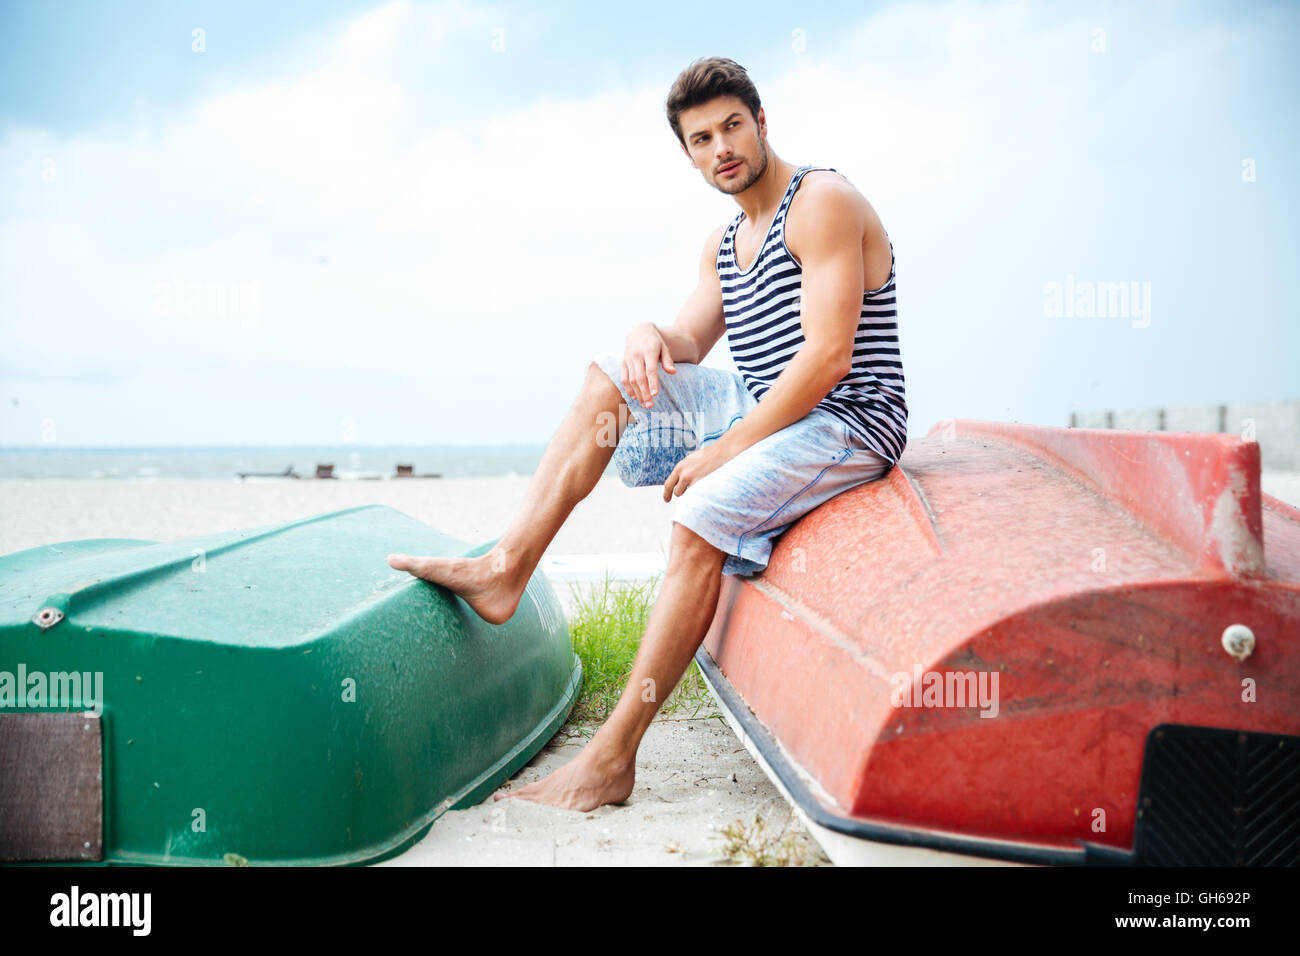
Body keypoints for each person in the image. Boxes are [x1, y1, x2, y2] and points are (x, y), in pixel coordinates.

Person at [386, 56, 908, 812]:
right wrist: (644, 331)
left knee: (698, 515)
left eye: (732, 126)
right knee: (607, 378)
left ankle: (612, 758)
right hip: (766, 403)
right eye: (700, 139)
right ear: (689, 153)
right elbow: (688, 341)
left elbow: (829, 358)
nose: (720, 148)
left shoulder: (821, 202)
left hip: (848, 420)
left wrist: (725, 451)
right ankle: (507, 567)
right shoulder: (726, 241)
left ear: (762, 124)